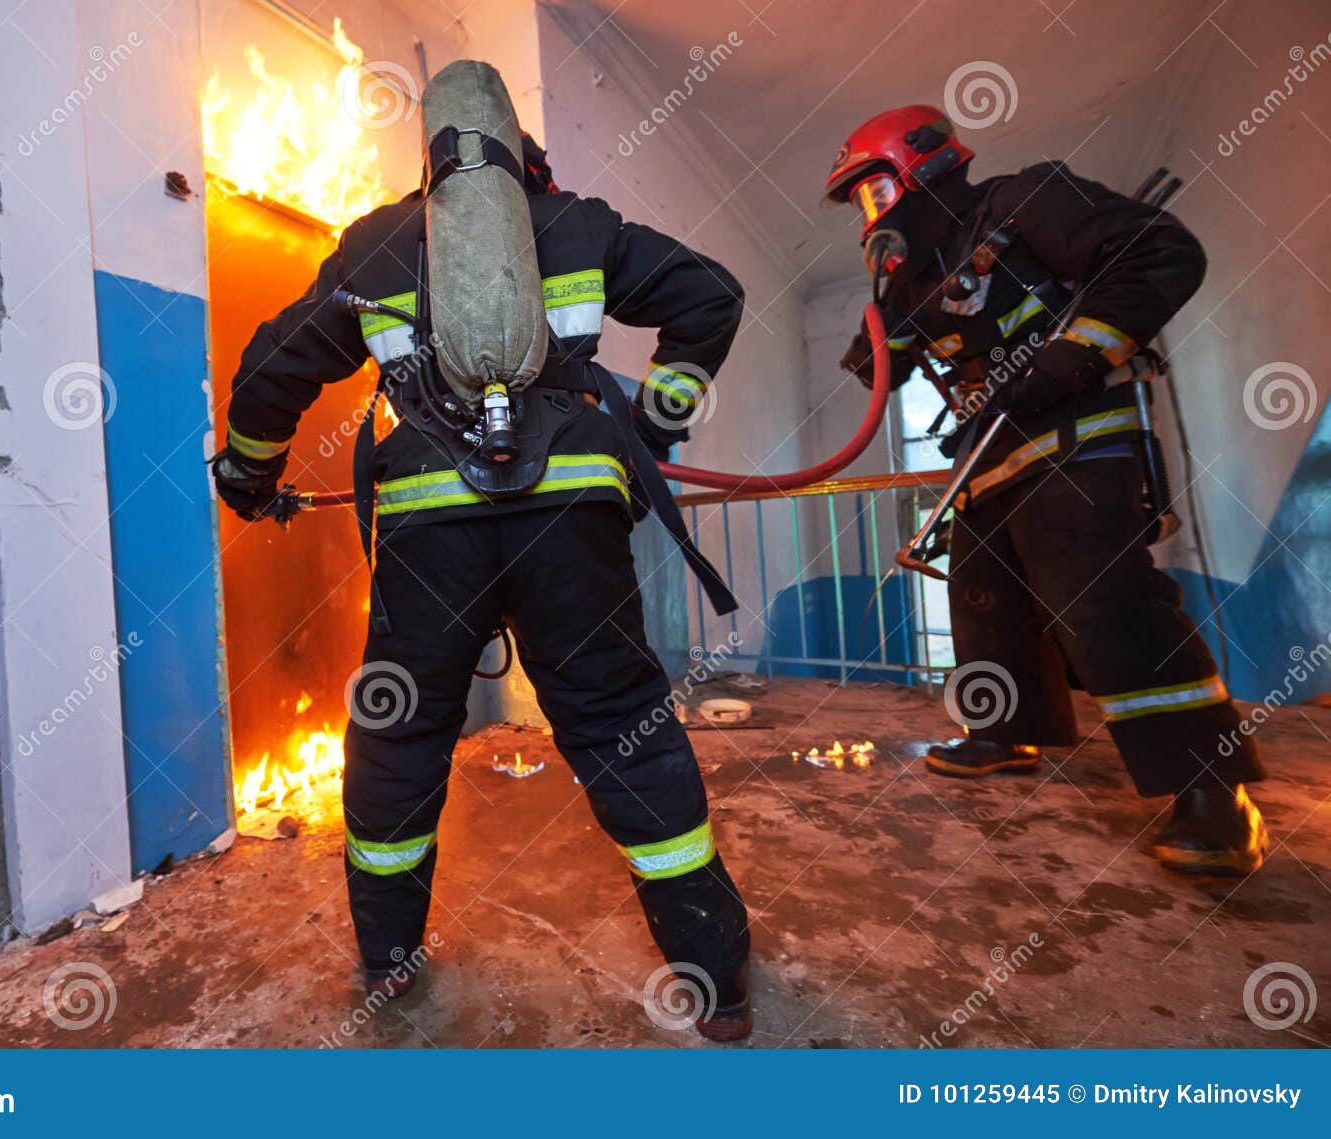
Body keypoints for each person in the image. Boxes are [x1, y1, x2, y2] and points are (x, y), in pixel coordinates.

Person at [211, 61, 752, 1038]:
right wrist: (656, 426)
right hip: (572, 520)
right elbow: (712, 295)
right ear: (527, 168)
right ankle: (717, 981)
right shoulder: (580, 223)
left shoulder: (377, 243)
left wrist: (249, 477)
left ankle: (389, 964)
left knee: (401, 732)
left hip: (429, 530)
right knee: (618, 719)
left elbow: (272, 369)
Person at [825, 105, 1267, 875]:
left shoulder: (1023, 200)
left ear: (924, 167)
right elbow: (886, 363)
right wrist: (877, 342)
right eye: (860, 204)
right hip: (990, 452)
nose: (870, 217)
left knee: (1098, 598)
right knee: (982, 599)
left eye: (875, 192)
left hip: (1080, 428)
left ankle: (1211, 785)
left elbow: (1162, 251)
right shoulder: (912, 280)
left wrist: (1072, 358)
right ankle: (1005, 732)